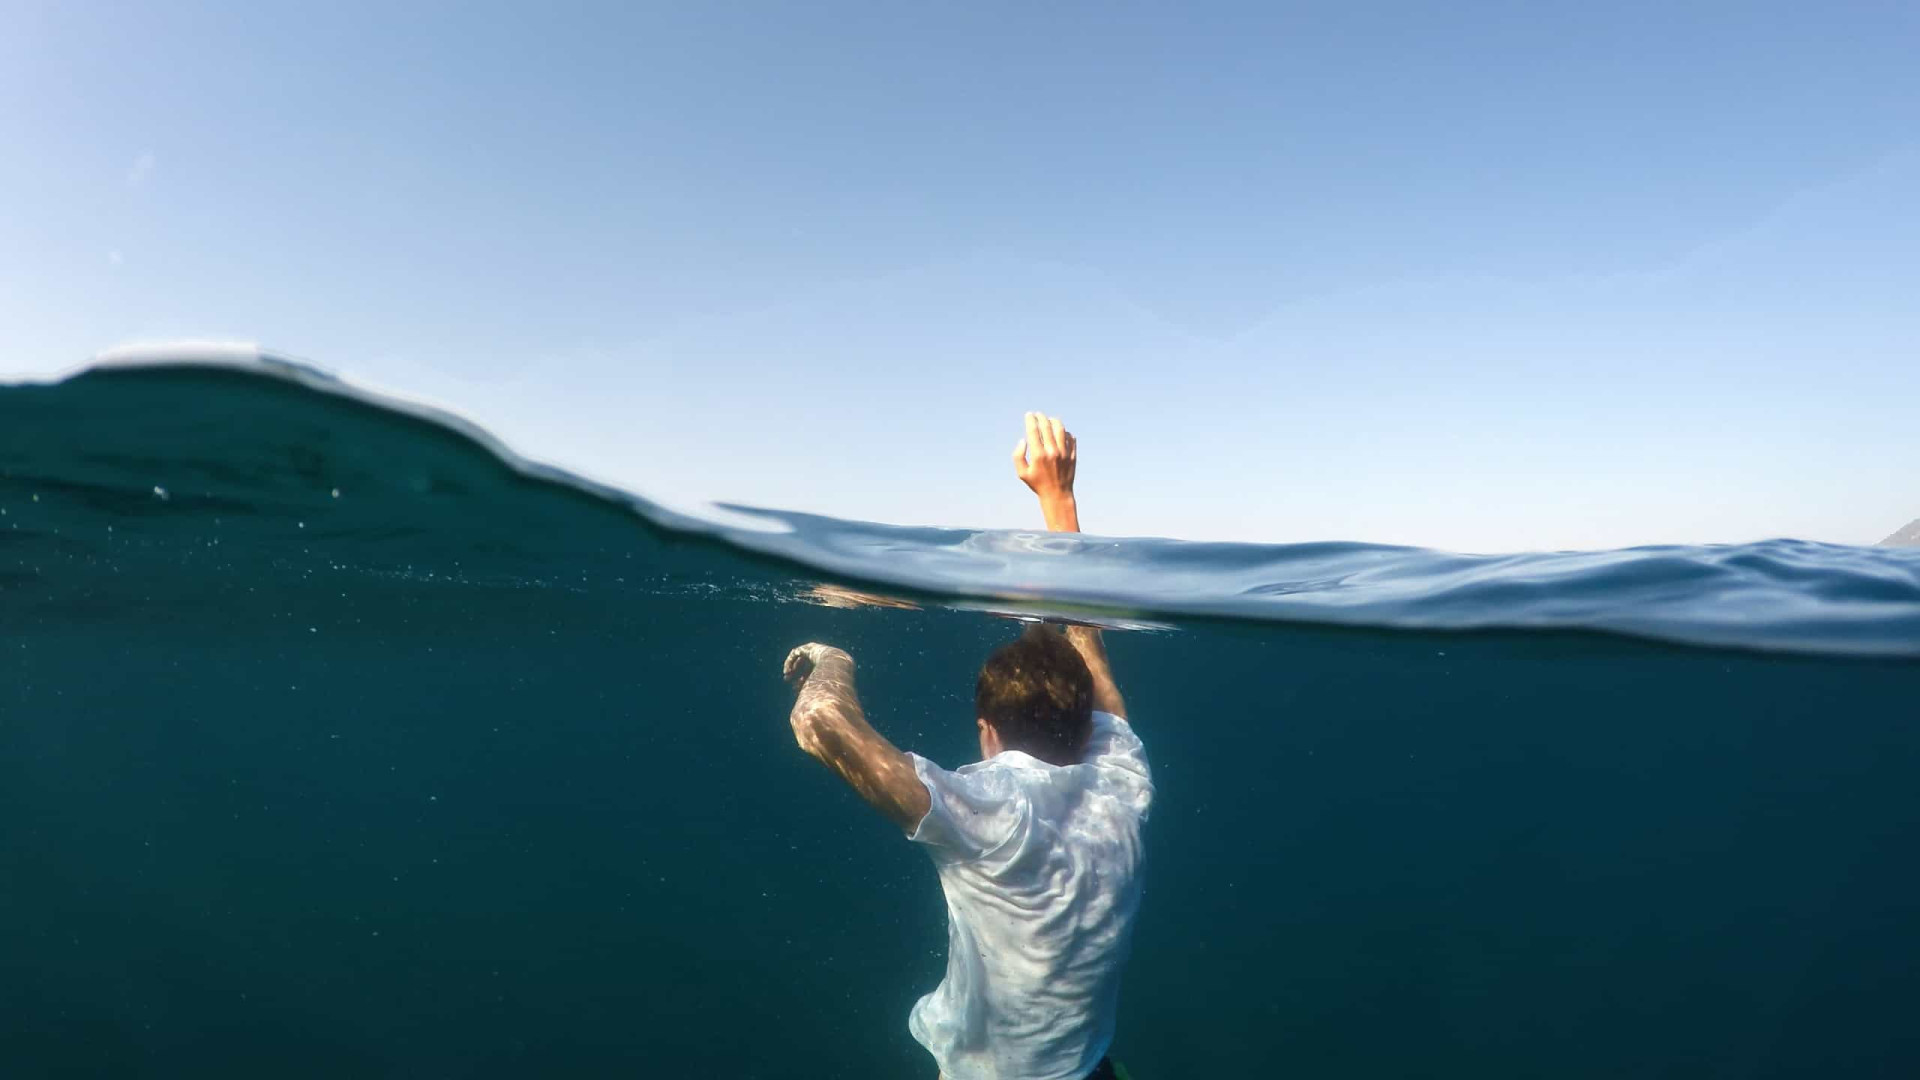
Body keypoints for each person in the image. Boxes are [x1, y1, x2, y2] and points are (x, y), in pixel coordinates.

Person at [782, 413, 1152, 1080]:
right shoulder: (1122, 777)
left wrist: (831, 656)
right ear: (1086, 723)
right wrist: (1058, 498)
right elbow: (1089, 643)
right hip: (1085, 1065)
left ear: (987, 731)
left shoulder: (989, 813)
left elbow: (820, 724)